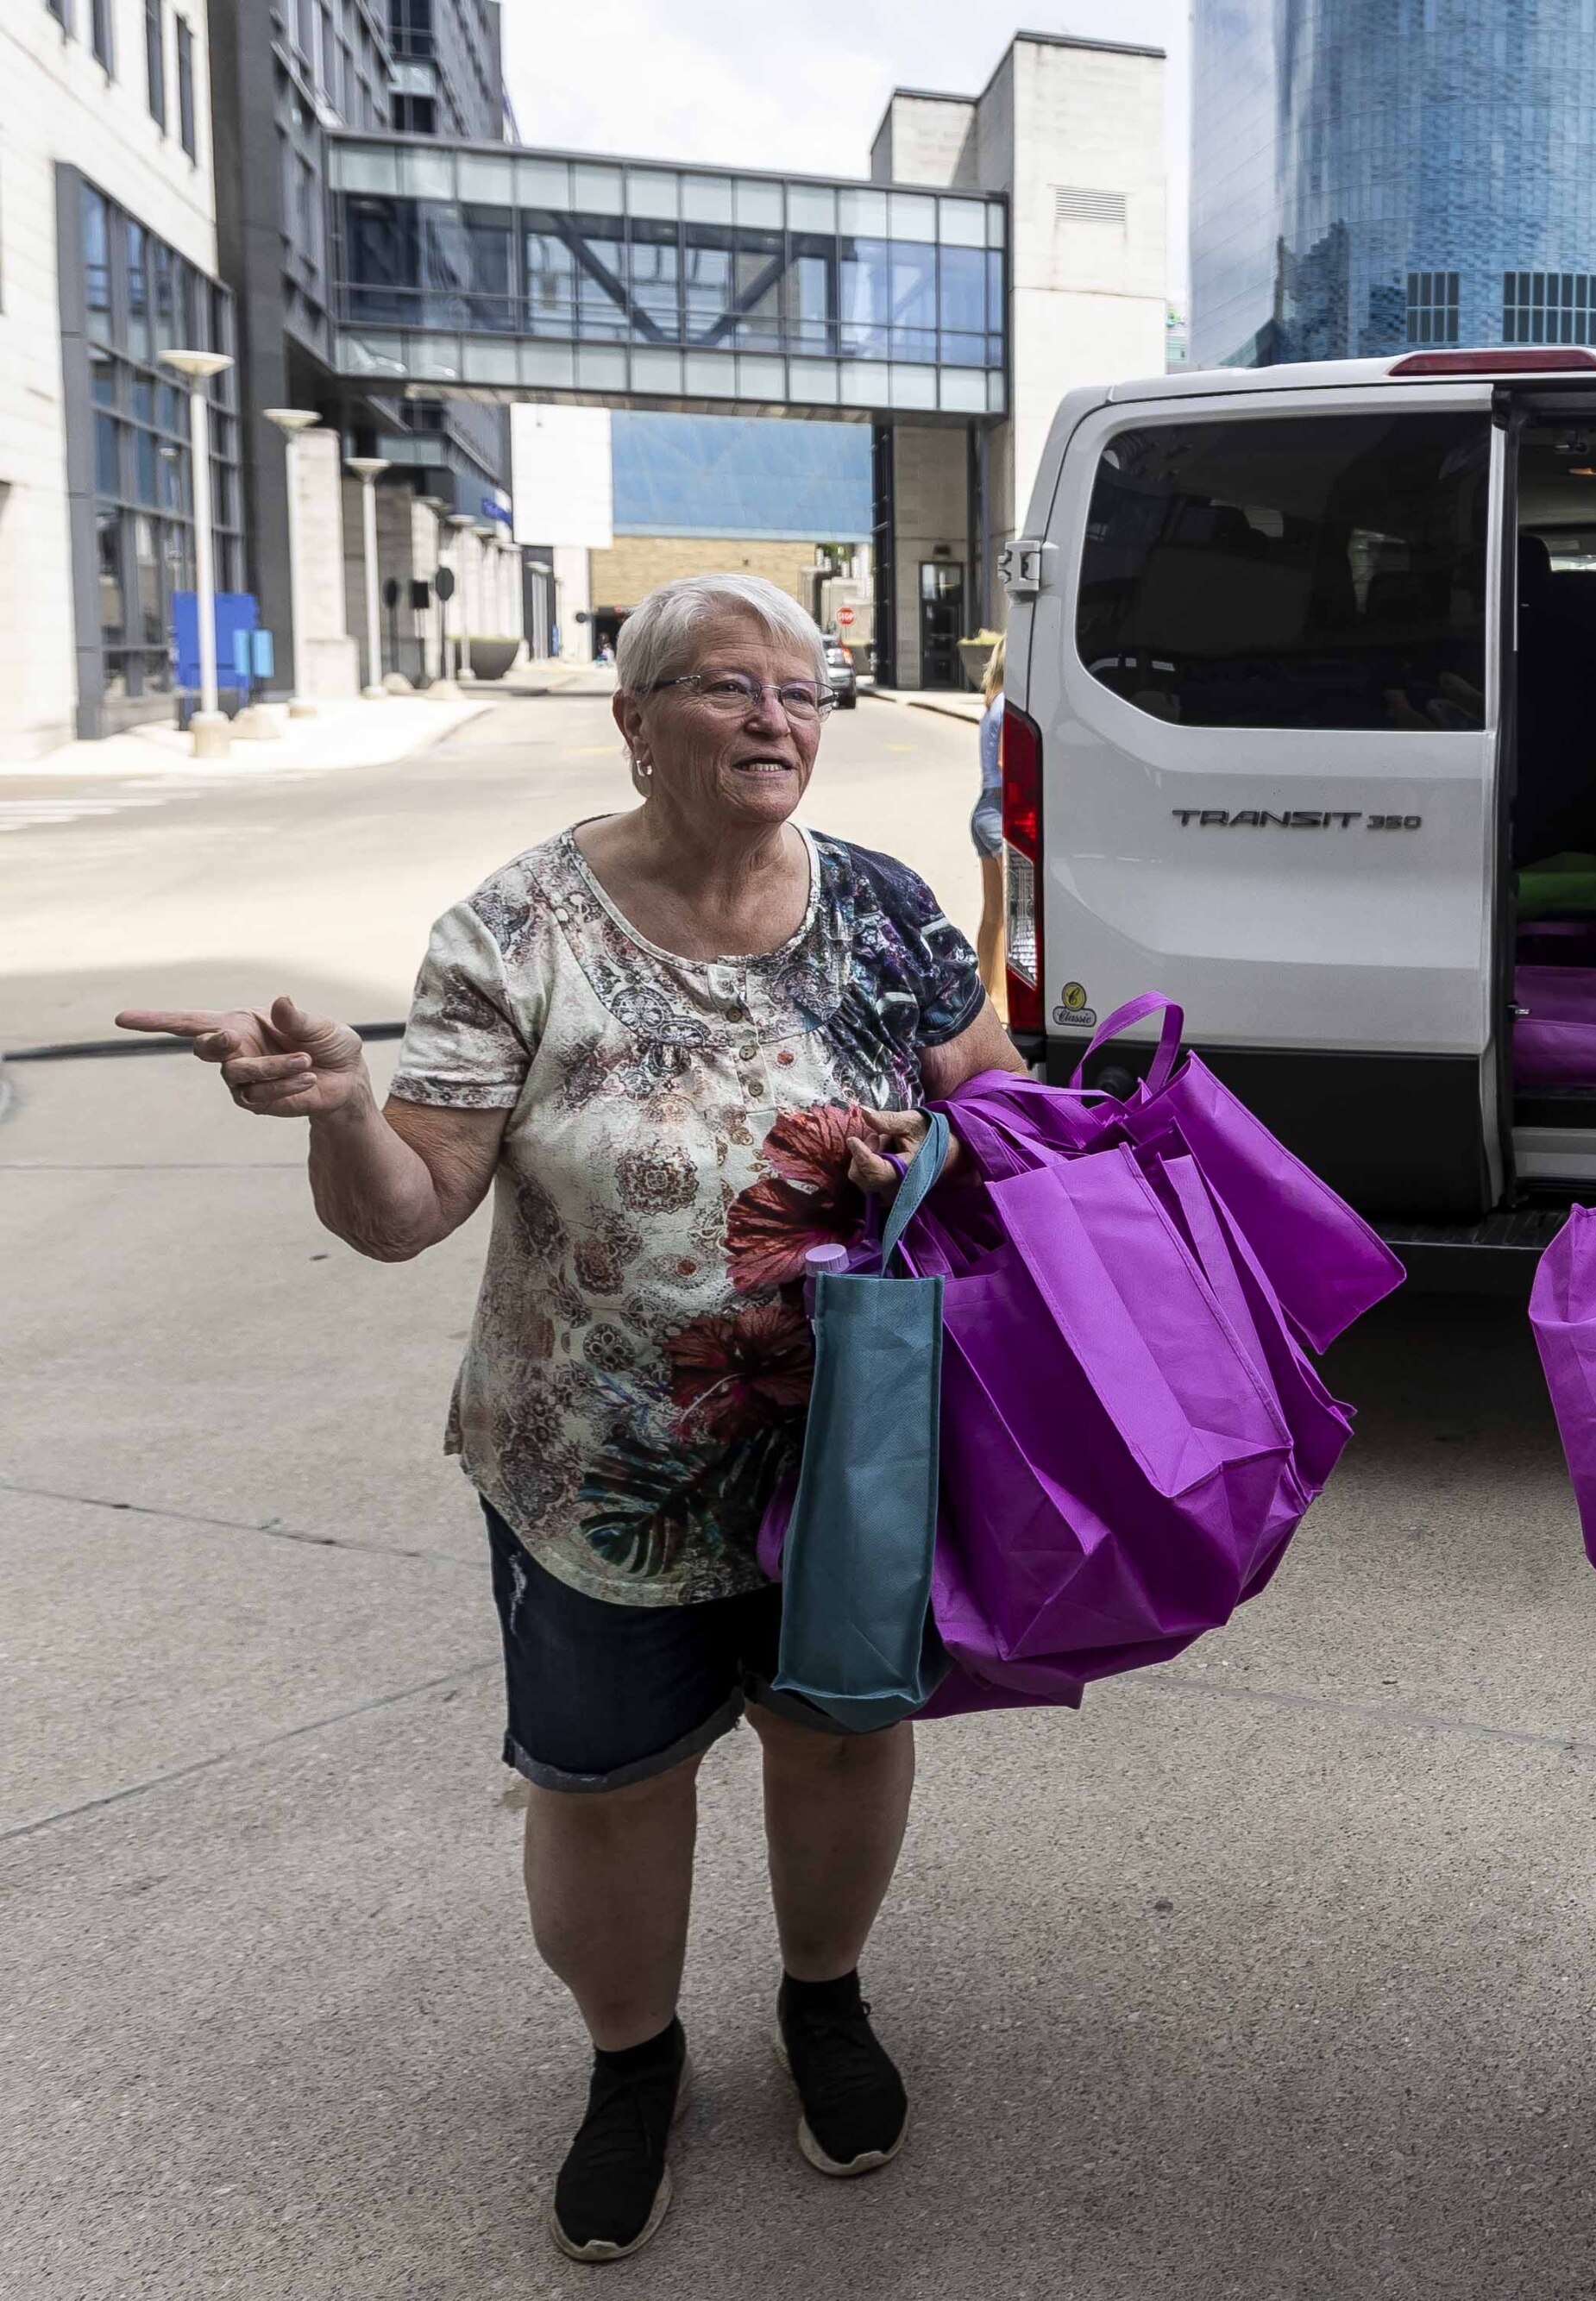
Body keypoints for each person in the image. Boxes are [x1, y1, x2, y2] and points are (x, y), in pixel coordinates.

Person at [119, 573, 1024, 2266]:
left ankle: (823, 1999)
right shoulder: (518, 927)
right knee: (607, 1781)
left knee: (840, 1734)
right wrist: (337, 1110)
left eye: (803, 692)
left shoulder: (886, 908)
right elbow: (404, 1211)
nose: (776, 718)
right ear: (633, 720)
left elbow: (998, 1107)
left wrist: (972, 1154)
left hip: (845, 1456)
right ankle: (633, 2060)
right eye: (729, 686)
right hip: (600, 1474)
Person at [971, 652, 1009, 1012]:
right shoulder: (1009, 706)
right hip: (1000, 809)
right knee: (1013, 911)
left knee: (994, 911)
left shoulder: (992, 705)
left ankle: (985, 992)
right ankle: (999, 1001)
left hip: (984, 809)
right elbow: (1005, 761)